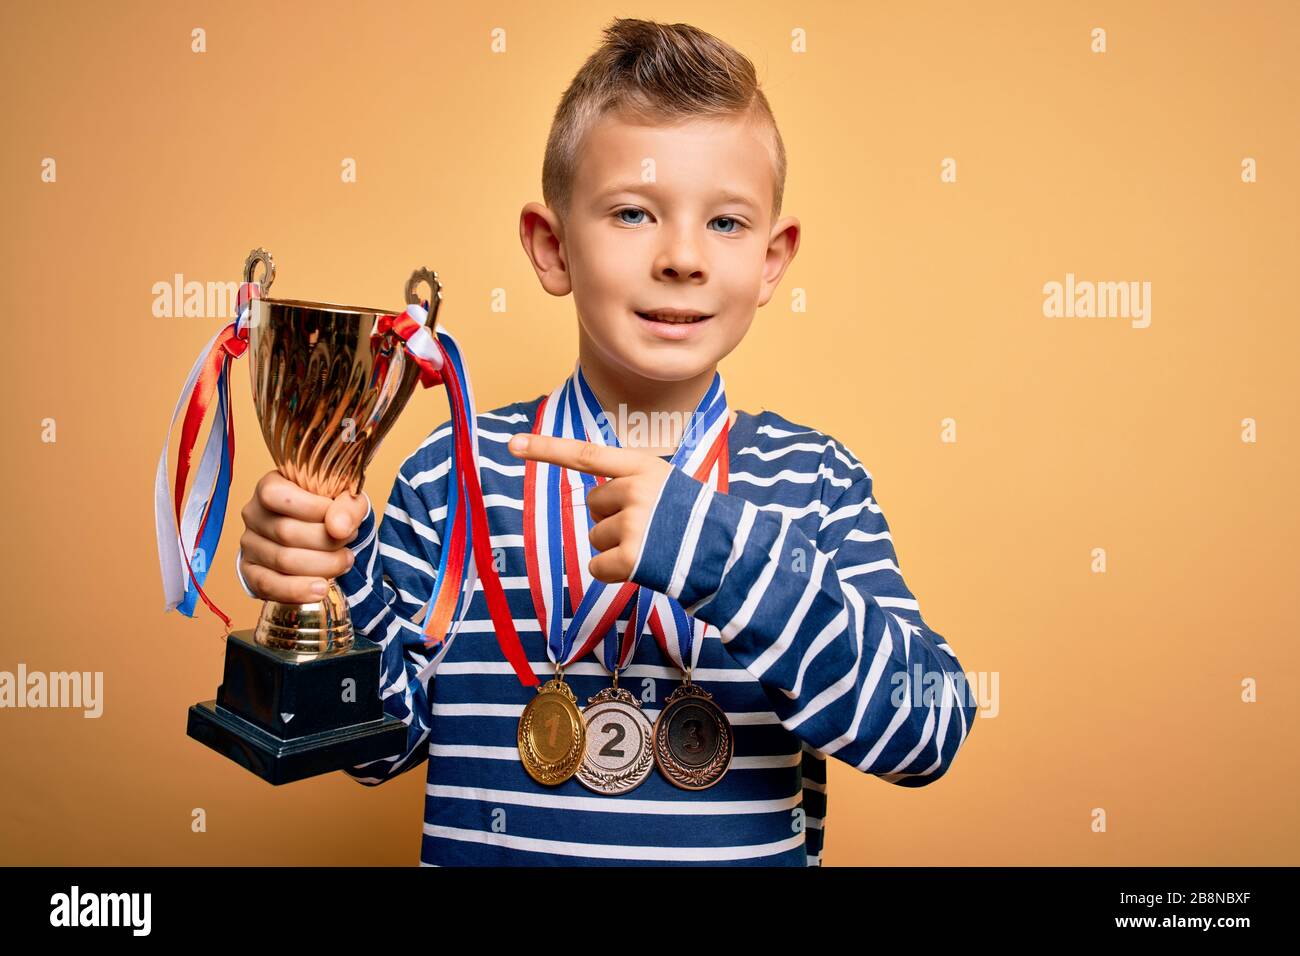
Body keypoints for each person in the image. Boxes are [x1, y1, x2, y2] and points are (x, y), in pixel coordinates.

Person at [235, 17, 976, 866]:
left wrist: (716, 550)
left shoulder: (813, 481)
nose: (683, 258)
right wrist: (326, 578)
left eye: (728, 224)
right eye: (633, 212)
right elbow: (373, 749)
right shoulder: (454, 473)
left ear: (774, 261)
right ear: (552, 248)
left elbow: (929, 731)